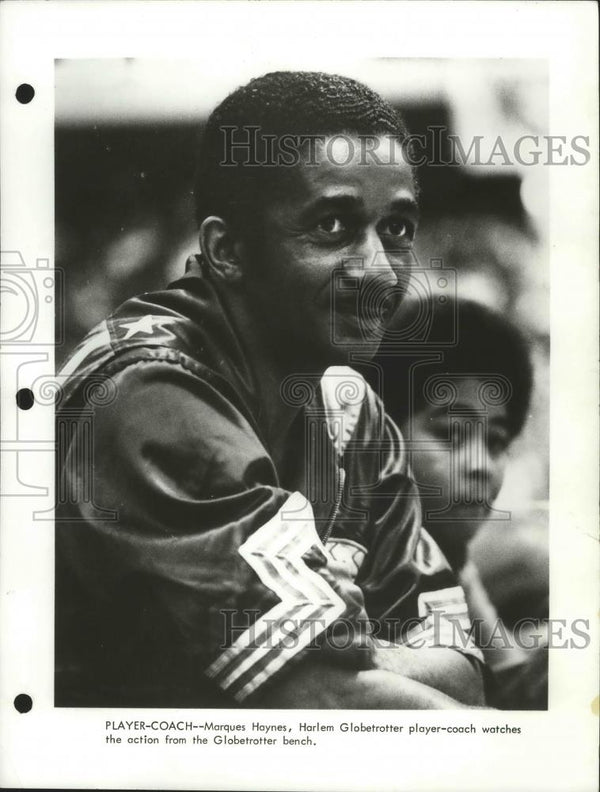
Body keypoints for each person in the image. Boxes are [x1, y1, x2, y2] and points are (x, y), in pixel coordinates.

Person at [55, 71, 485, 709]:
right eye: (332, 226)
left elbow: (466, 675)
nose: (377, 269)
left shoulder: (352, 411)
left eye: (396, 229)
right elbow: (325, 703)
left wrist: (362, 648)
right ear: (226, 249)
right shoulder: (146, 392)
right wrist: (352, 653)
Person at [368, 296, 548, 708]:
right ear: (379, 436)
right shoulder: (358, 562)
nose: (481, 466)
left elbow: (511, 683)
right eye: (451, 434)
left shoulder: (452, 559)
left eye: (496, 442)